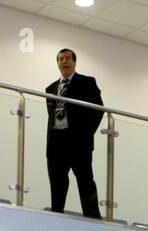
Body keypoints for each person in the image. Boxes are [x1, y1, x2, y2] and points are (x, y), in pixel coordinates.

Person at [45, 48, 103, 218]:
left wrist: (87, 133)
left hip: (79, 143)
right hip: (56, 143)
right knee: (57, 185)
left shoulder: (87, 82)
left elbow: (98, 110)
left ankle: (93, 220)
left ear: (75, 62)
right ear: (57, 64)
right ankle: (56, 217)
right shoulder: (51, 88)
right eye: (61, 59)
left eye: (68, 58)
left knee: (85, 183)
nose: (64, 62)